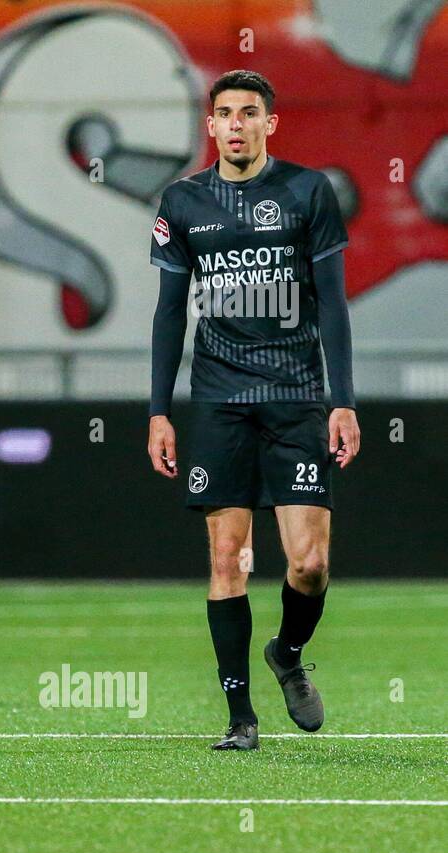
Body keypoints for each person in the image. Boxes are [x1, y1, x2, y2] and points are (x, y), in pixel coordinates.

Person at [147, 70, 360, 750]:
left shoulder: (307, 191)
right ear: (210, 126)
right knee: (227, 557)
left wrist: (343, 402)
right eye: (224, 114)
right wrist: (158, 410)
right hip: (219, 402)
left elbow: (333, 305)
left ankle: (288, 653)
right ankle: (241, 719)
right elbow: (169, 312)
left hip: (297, 400)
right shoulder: (182, 202)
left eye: (249, 113)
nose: (235, 124)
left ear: (271, 123)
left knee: (310, 565)